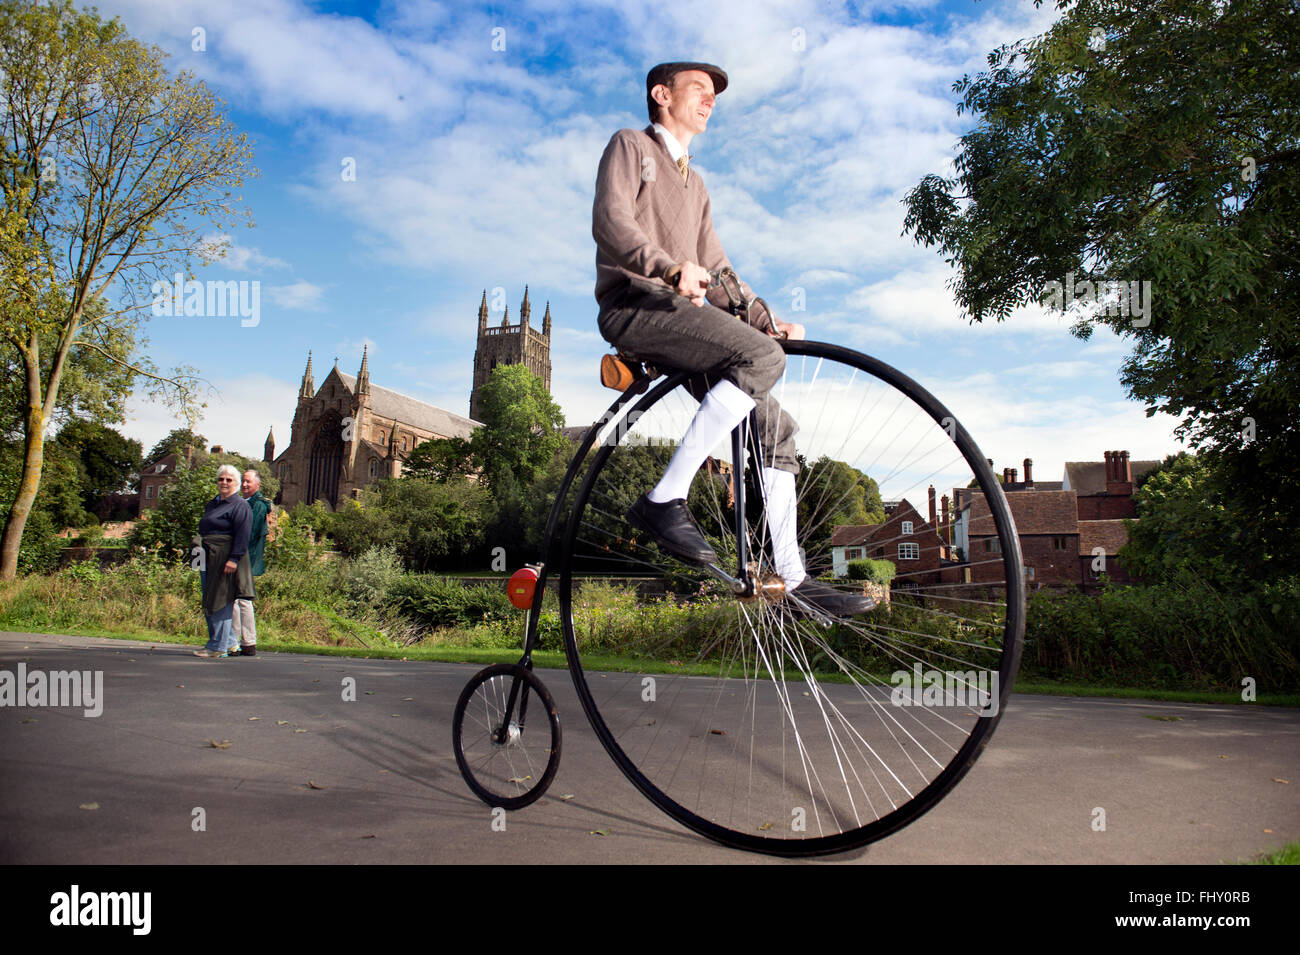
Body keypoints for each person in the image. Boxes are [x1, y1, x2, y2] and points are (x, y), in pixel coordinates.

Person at [592, 61, 874, 618]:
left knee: (775, 427)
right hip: (636, 307)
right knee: (760, 358)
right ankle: (664, 499)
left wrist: (767, 322)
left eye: (715, 95)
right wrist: (668, 267)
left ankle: (792, 581)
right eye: (699, 89)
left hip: (685, 319)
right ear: (661, 94)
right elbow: (610, 220)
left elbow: (719, 272)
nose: (710, 99)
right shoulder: (630, 146)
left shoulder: (696, 186)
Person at [192, 465, 255, 658]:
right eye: (221, 479)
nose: (224, 483)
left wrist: (233, 560)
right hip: (207, 555)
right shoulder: (214, 503)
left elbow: (243, 535)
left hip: (225, 557)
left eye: (229, 480)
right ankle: (229, 643)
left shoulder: (240, 505)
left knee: (221, 599)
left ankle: (217, 647)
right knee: (209, 597)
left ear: (236, 484)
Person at [228, 469, 270, 657]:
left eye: (248, 482)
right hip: (242, 557)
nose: (244, 485)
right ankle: (246, 643)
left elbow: (250, 533)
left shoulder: (258, 505)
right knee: (242, 599)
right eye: (242, 481)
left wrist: (236, 555)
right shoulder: (246, 502)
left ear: (257, 485)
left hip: (245, 557)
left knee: (238, 599)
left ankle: (237, 642)